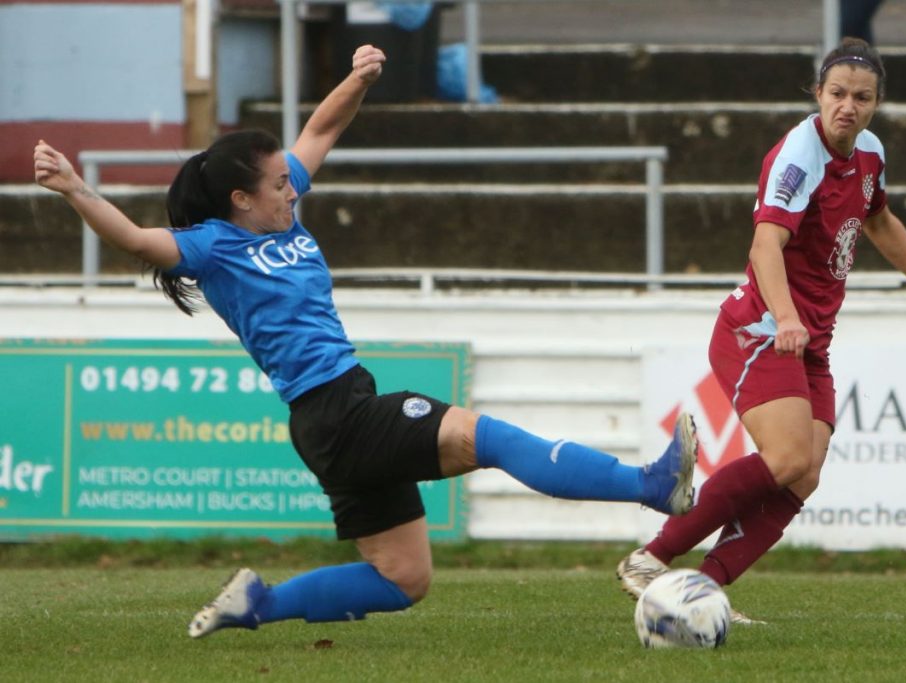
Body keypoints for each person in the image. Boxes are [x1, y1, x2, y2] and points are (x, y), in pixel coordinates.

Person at [33, 44, 698, 639]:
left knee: (403, 576)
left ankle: (259, 602)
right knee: (485, 436)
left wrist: (358, 78)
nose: (293, 185)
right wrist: (74, 187)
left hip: (335, 416)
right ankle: (649, 484)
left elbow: (321, 129)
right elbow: (135, 239)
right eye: (279, 182)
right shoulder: (215, 245)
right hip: (335, 412)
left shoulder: (279, 213)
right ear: (241, 197)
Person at [616, 38, 906, 623]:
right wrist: (787, 318)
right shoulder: (798, 156)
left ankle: (702, 590)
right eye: (837, 93)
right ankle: (651, 558)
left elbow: (880, 220)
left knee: (805, 474)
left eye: (862, 98)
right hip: (759, 328)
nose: (849, 106)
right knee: (788, 456)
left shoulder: (869, 152)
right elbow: (765, 242)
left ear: (876, 103)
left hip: (809, 338)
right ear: (817, 93)